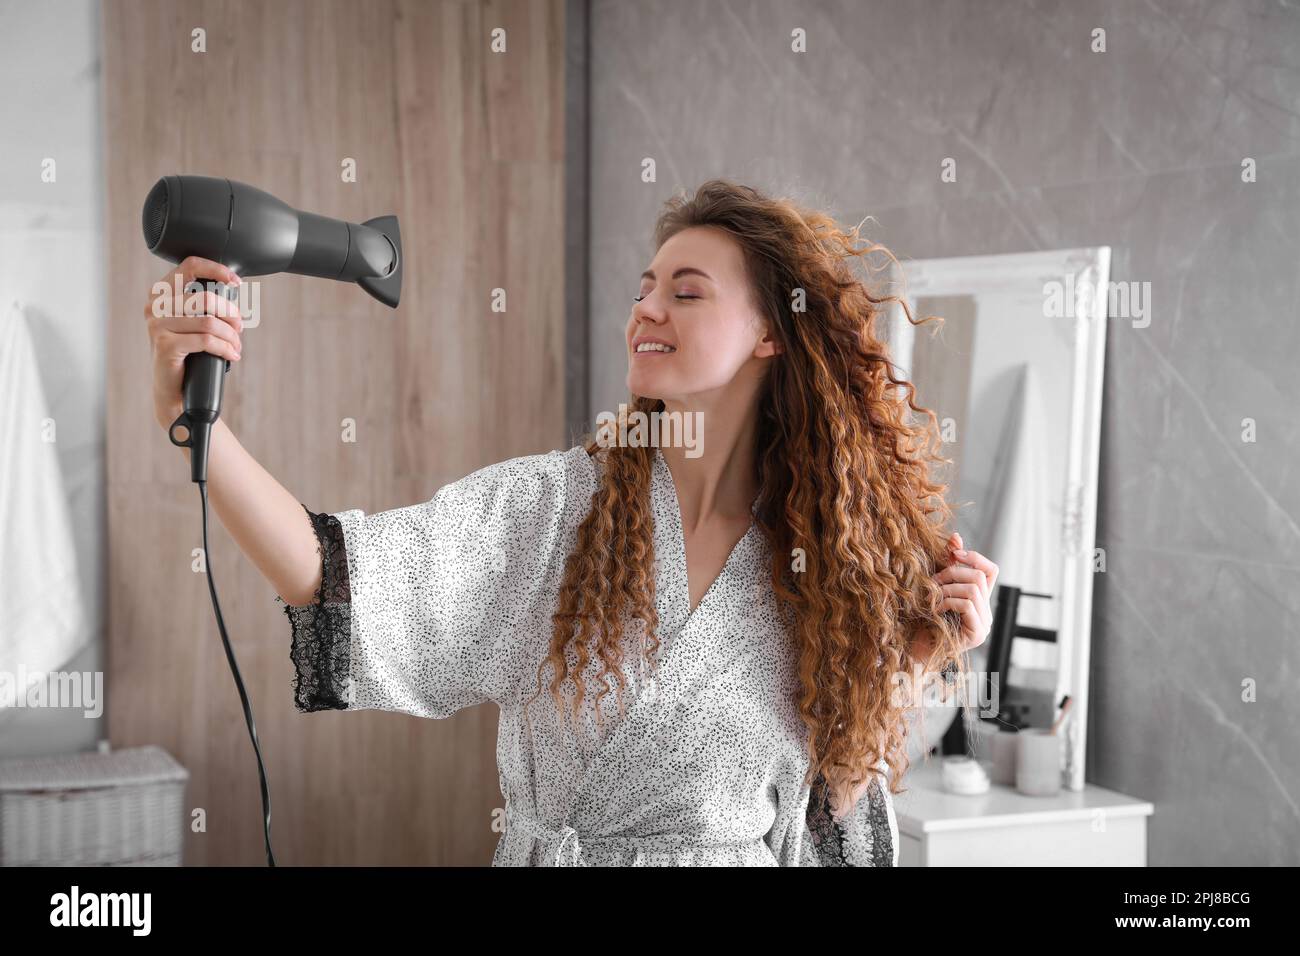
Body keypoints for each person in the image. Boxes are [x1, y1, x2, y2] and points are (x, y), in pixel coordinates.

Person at [143, 178, 997, 866]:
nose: (646, 310)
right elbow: (334, 576)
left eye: (685, 292)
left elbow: (827, 813)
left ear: (773, 334)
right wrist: (199, 429)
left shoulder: (820, 569)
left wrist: (915, 661)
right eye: (644, 288)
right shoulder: (560, 513)